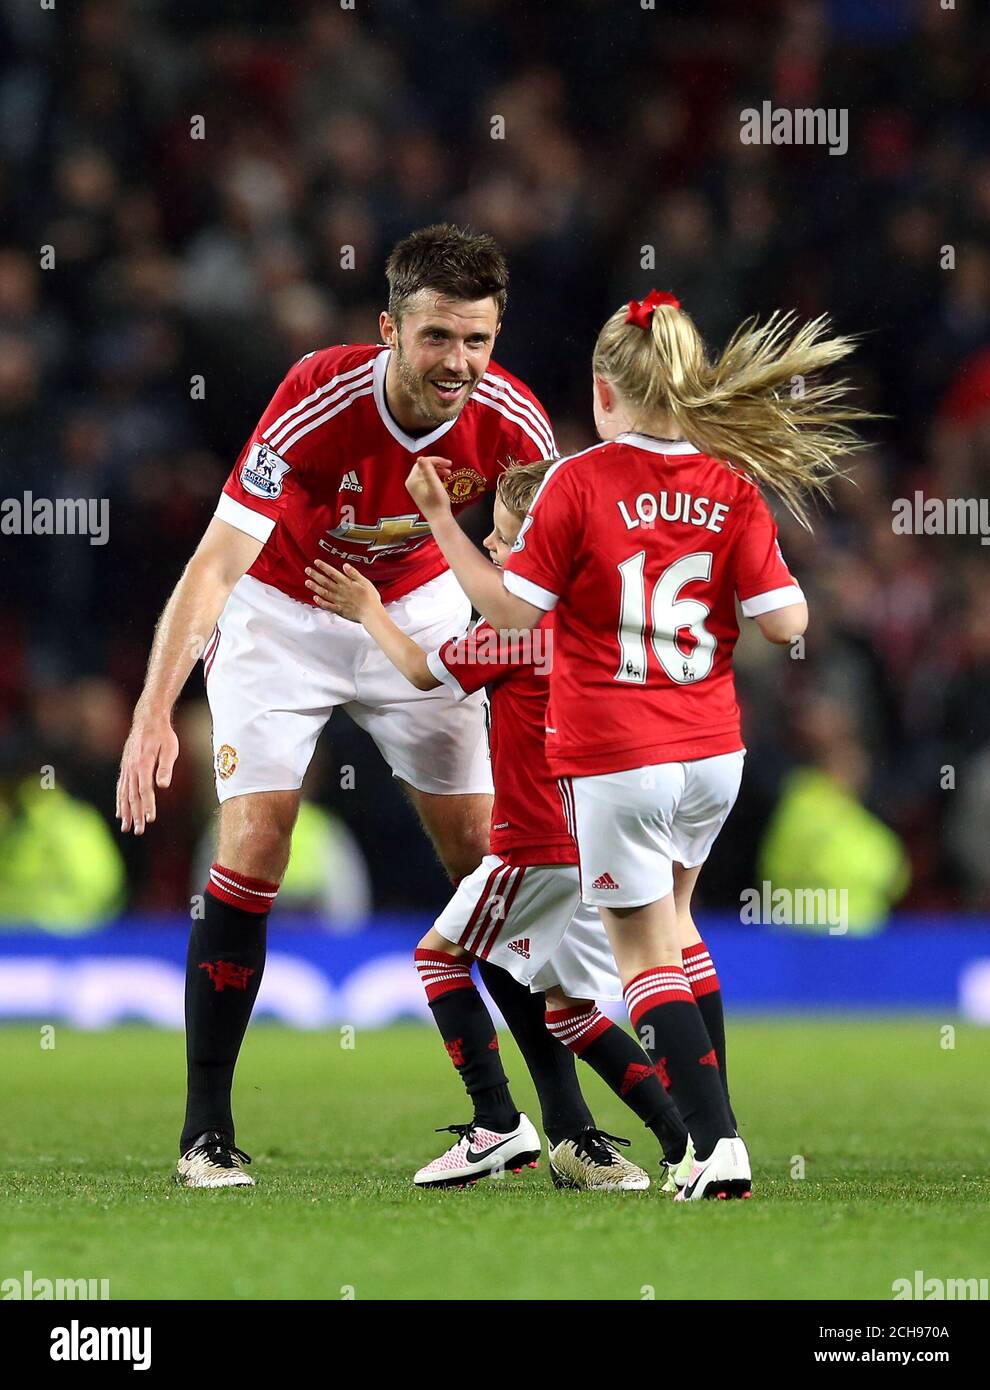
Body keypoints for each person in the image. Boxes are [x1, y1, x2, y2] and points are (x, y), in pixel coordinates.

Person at [114, 224, 599, 1187]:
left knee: (494, 859)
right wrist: (153, 709)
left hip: (416, 606)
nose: (458, 363)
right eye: (435, 339)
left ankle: (566, 1129)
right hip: (282, 612)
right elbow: (217, 559)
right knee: (254, 842)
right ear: (389, 328)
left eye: (477, 340)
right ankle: (205, 1134)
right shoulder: (314, 398)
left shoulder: (514, 423)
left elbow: (544, 584)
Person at [401, 288, 870, 1200]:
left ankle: (713, 1146)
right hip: (713, 753)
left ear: (601, 390)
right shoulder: (731, 487)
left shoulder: (577, 481)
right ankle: (712, 1129)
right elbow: (786, 623)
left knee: (640, 956)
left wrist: (445, 531)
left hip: (618, 752)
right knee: (681, 931)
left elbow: (508, 611)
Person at [306, 461, 693, 1192]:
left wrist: (367, 609)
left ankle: (496, 1125)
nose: (490, 543)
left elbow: (421, 672)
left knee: (437, 958)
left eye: (506, 537)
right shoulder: (600, 617)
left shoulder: (518, 632)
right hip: (597, 844)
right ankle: (686, 1144)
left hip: (535, 841)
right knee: (571, 1013)